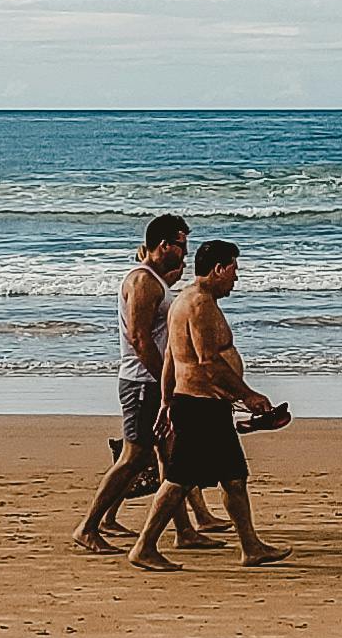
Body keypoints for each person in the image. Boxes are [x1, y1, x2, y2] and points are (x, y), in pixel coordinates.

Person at [74, 217, 229, 553]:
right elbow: (140, 339)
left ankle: (185, 530)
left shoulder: (155, 280)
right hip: (142, 383)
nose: (185, 253)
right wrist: (165, 386)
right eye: (181, 245)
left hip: (149, 382)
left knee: (170, 457)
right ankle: (88, 527)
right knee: (133, 457)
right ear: (164, 245)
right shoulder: (143, 282)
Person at [131, 240, 287, 570]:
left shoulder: (184, 300)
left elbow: (172, 357)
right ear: (217, 269)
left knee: (233, 477)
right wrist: (249, 395)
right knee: (178, 480)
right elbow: (209, 363)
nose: (236, 278)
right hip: (201, 407)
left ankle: (251, 547)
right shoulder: (200, 304)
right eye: (233, 270)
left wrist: (165, 400)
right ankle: (144, 547)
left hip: (201, 404)